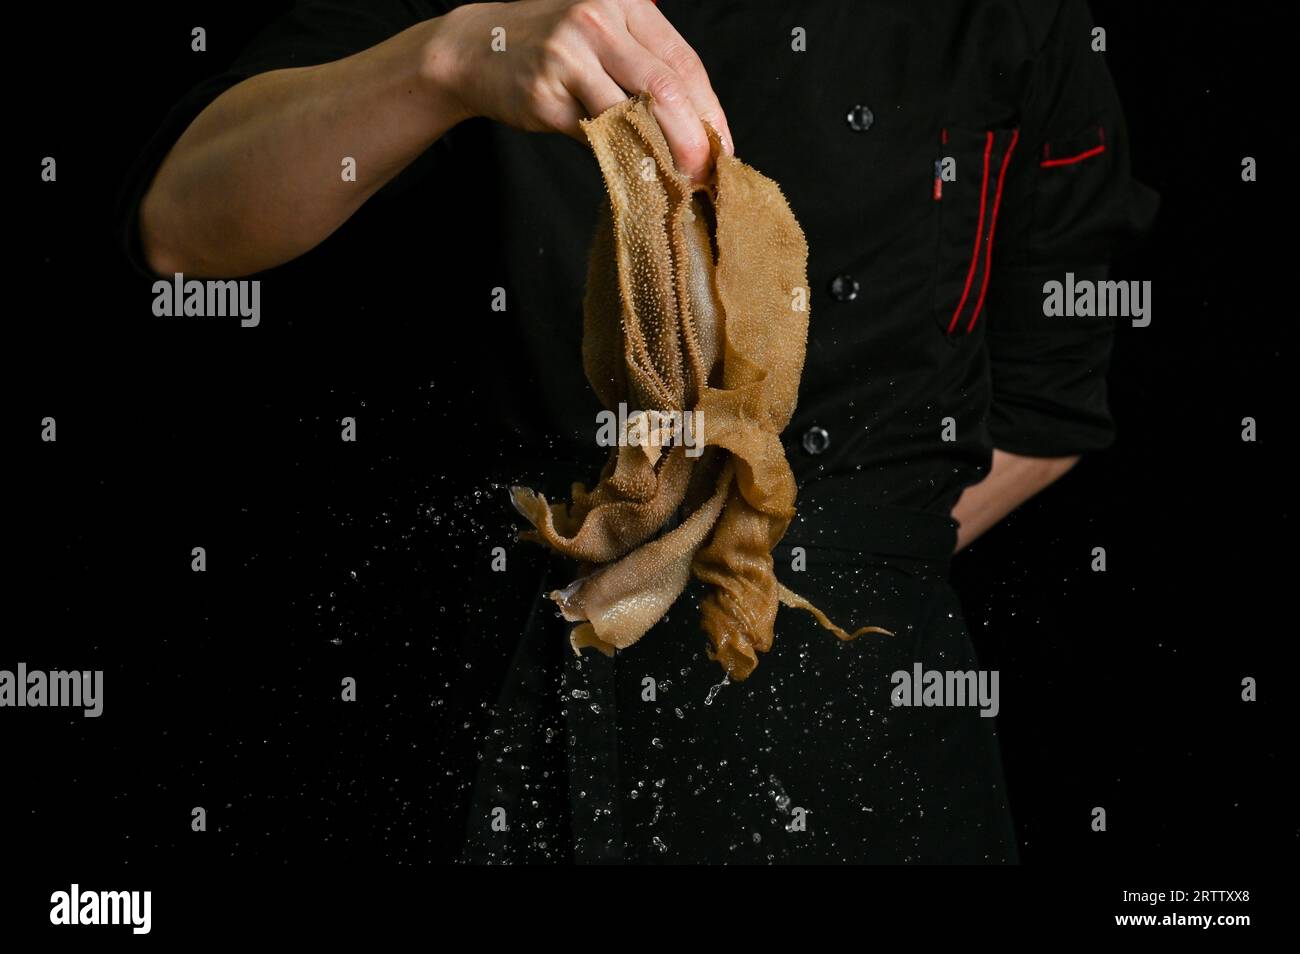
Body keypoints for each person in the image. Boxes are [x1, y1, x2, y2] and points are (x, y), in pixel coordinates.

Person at [118, 0, 1157, 863]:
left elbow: (1048, 407)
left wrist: (763, 560)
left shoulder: (1013, 21)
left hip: (854, 725)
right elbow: (182, 225)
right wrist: (443, 60)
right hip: (479, 679)